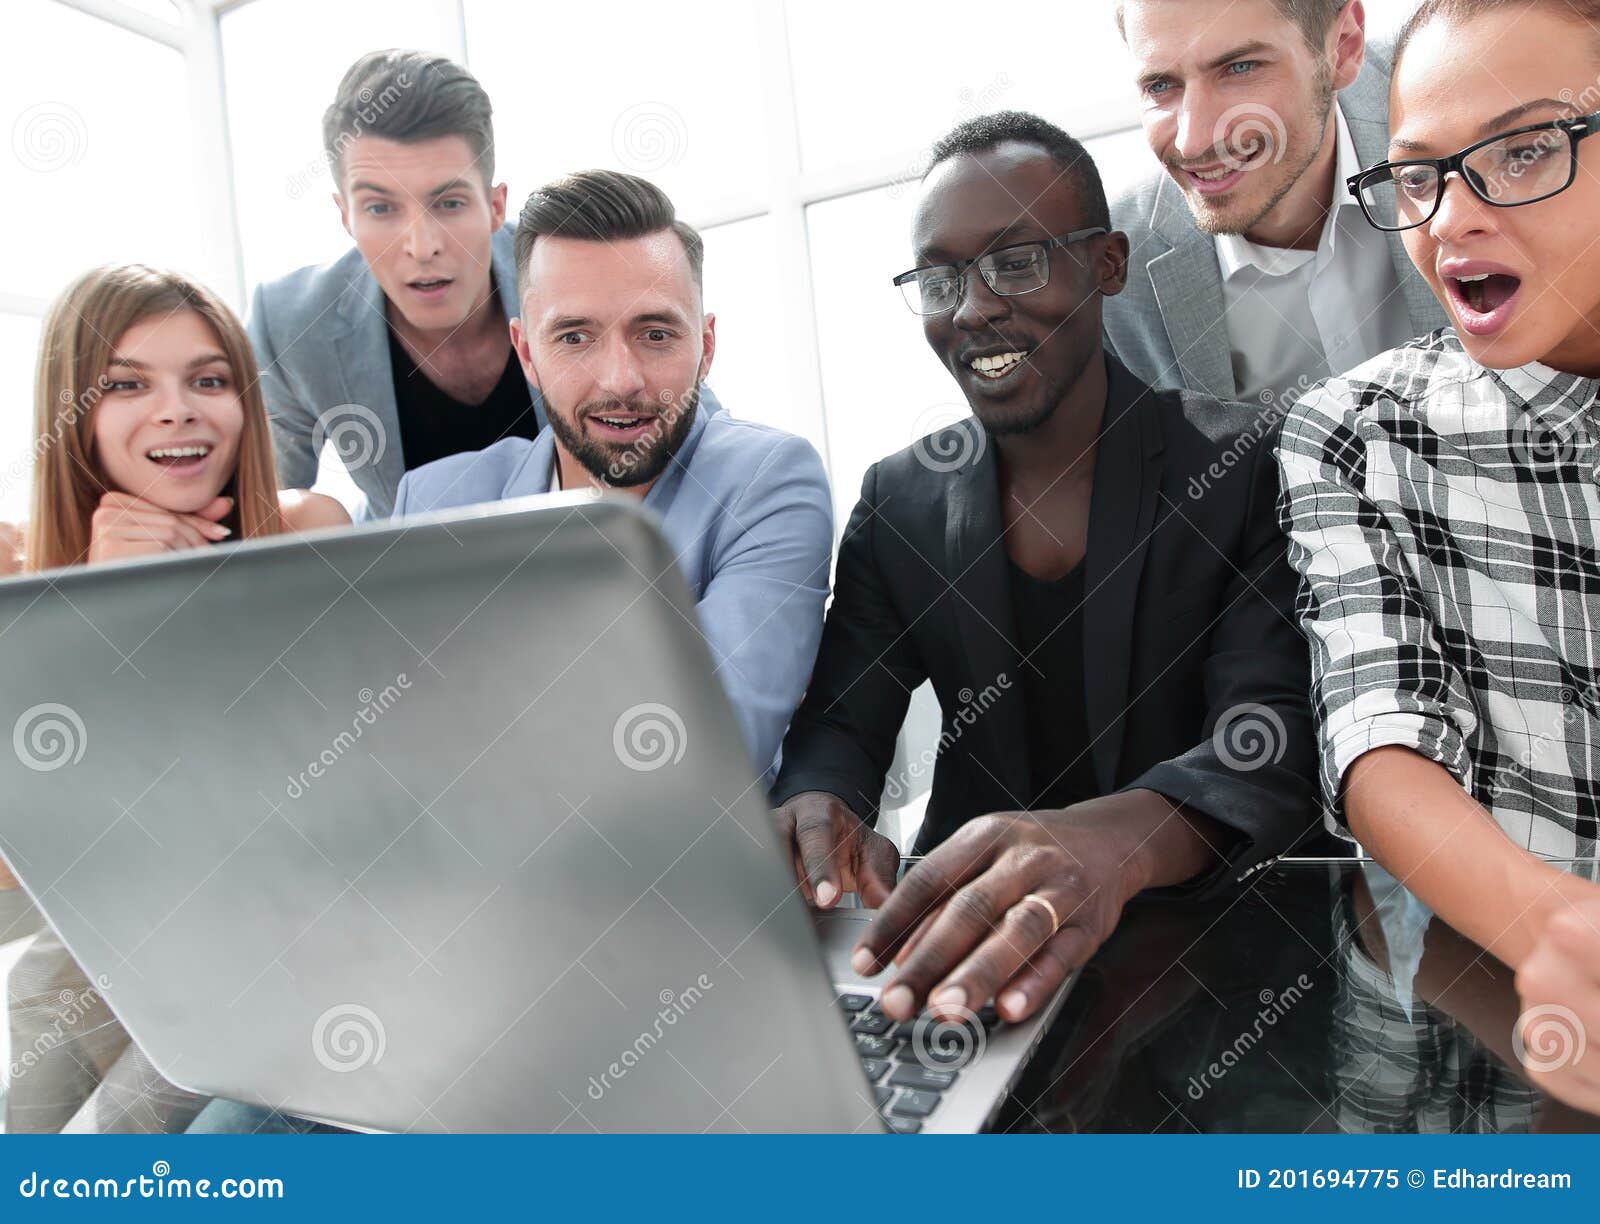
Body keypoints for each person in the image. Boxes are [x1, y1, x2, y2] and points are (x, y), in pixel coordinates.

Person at [771, 111, 1318, 1030]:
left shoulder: (1241, 462)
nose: (974, 308)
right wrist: (821, 802)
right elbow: (840, 724)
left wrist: (1107, 846)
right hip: (961, 969)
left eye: (1017, 262)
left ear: (1107, 265)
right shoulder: (901, 500)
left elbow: (1269, 740)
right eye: (941, 279)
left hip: (1210, 975)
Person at [1277, 0, 1600, 1115]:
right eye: (1419, 175)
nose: (1452, 216)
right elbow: (1381, 737)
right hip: (1489, 1069)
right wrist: (1554, 928)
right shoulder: (1355, 432)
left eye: (1525, 150)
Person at [3, 263, 347, 1133]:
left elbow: (320, 811)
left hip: (279, 938)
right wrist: (99, 611)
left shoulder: (310, 534)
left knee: (114, 1147)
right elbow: (30, 864)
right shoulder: (31, 586)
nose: (177, 410)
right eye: (127, 385)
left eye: (209, 380)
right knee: (41, 1017)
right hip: (109, 940)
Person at [392, 169, 832, 781]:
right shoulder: (434, 503)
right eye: (575, 337)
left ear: (706, 347)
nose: (621, 379)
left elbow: (703, 754)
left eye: (655, 334)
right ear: (527, 353)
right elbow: (386, 752)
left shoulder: (769, 483)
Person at [248, 50, 548, 518]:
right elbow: (256, 513)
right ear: (346, 216)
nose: (421, 247)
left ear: (494, 206)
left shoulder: (568, 279)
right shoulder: (291, 324)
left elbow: (677, 452)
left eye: (449, 203)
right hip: (404, 564)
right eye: (381, 208)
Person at [1106, 0, 1445, 403]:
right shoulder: (1111, 272)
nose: (1191, 142)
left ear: (1343, 47)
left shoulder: (1452, 99)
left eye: (1240, 68)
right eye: (1160, 86)